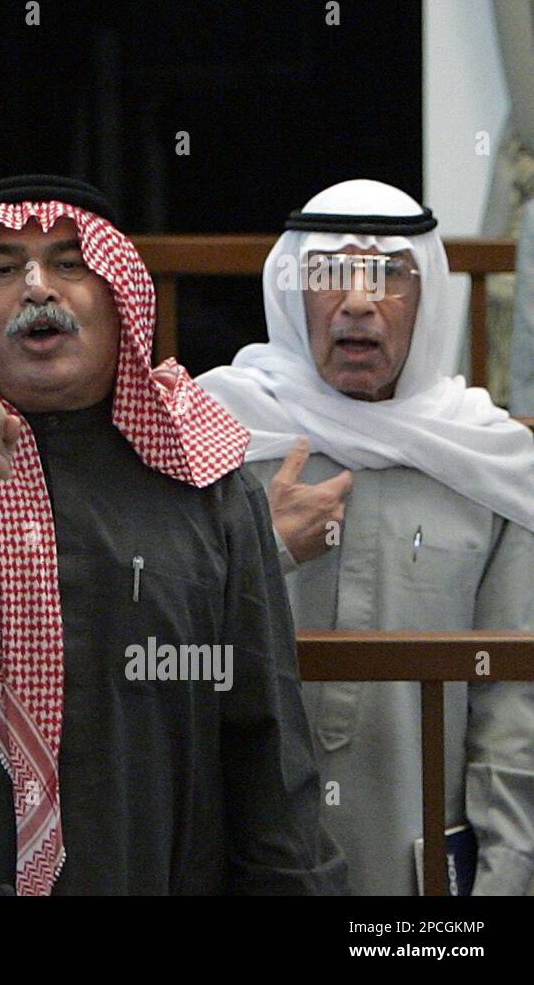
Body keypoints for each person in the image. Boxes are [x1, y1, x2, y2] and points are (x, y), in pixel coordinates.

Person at [0, 174, 346, 896]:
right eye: (3, 267)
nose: (38, 288)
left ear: (119, 295)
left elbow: (265, 741)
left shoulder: (202, 475)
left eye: (71, 262)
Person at [198, 179, 534, 895]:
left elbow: (512, 712)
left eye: (387, 274)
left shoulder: (491, 464)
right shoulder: (215, 438)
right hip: (235, 853)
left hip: (415, 870)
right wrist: (266, 545)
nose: (356, 300)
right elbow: (151, 648)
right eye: (328, 275)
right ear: (293, 295)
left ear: (429, 298)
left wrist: (508, 879)